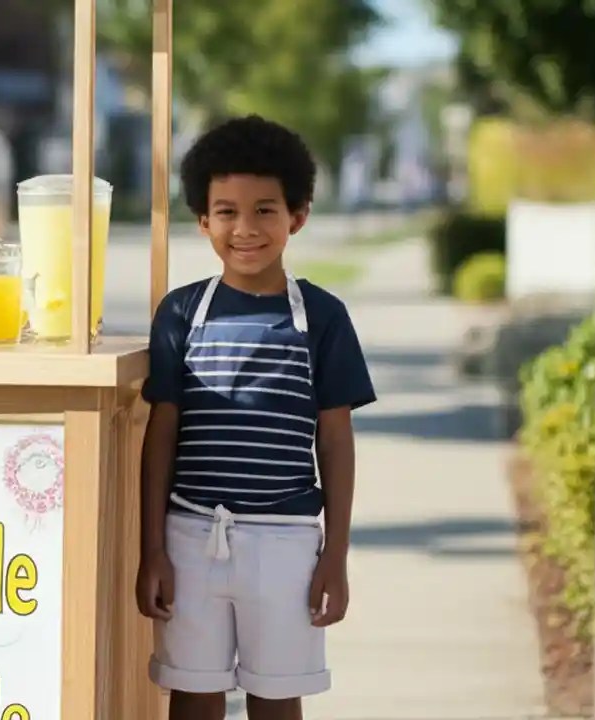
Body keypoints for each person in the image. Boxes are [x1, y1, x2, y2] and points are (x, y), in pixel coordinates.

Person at [136, 115, 377, 720]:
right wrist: (152, 552)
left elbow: (337, 441)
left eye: (265, 211)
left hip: (288, 545)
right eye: (226, 212)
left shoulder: (322, 318)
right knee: (192, 695)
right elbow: (162, 433)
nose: (245, 229)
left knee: (276, 698)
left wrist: (335, 556)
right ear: (202, 219)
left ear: (297, 215)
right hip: (190, 538)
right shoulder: (181, 313)